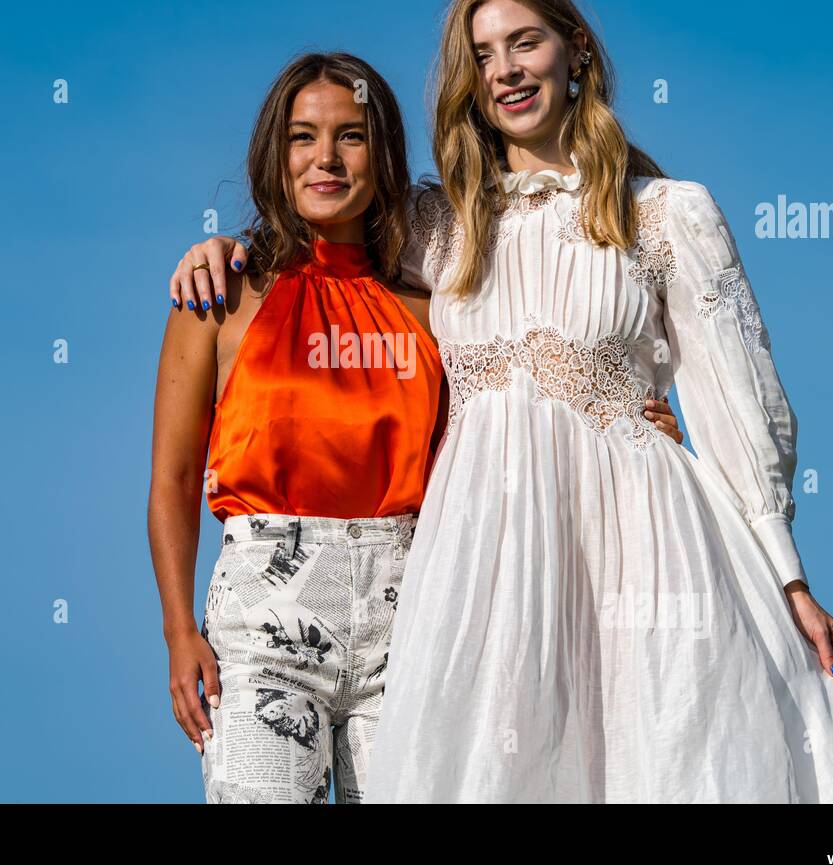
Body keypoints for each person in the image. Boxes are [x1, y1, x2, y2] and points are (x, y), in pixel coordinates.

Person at [170, 0, 833, 803]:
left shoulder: (669, 214)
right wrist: (228, 250)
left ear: (576, 52)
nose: (505, 68)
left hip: (635, 546)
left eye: (524, 41)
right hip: (478, 562)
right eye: (483, 54)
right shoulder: (442, 227)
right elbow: (327, 230)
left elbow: (738, 407)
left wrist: (787, 576)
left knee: (657, 754)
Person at [149, 48, 689, 803]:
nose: (326, 158)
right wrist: (180, 632)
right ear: (275, 155)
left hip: (414, 610)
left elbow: (527, 392)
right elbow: (173, 479)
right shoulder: (219, 297)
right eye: (303, 137)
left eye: (352, 136)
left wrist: (631, 422)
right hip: (265, 613)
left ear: (384, 154)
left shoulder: (435, 308)